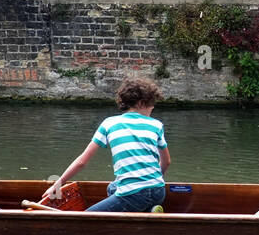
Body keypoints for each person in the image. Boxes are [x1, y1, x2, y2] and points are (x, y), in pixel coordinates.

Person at [44, 77, 171, 212]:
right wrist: (151, 183)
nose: (152, 108)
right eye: (151, 104)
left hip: (133, 194)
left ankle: (136, 211)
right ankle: (147, 209)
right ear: (141, 103)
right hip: (159, 191)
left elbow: (82, 162)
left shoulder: (109, 123)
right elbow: (166, 161)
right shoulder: (156, 125)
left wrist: (58, 183)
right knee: (112, 188)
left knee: (85, 217)